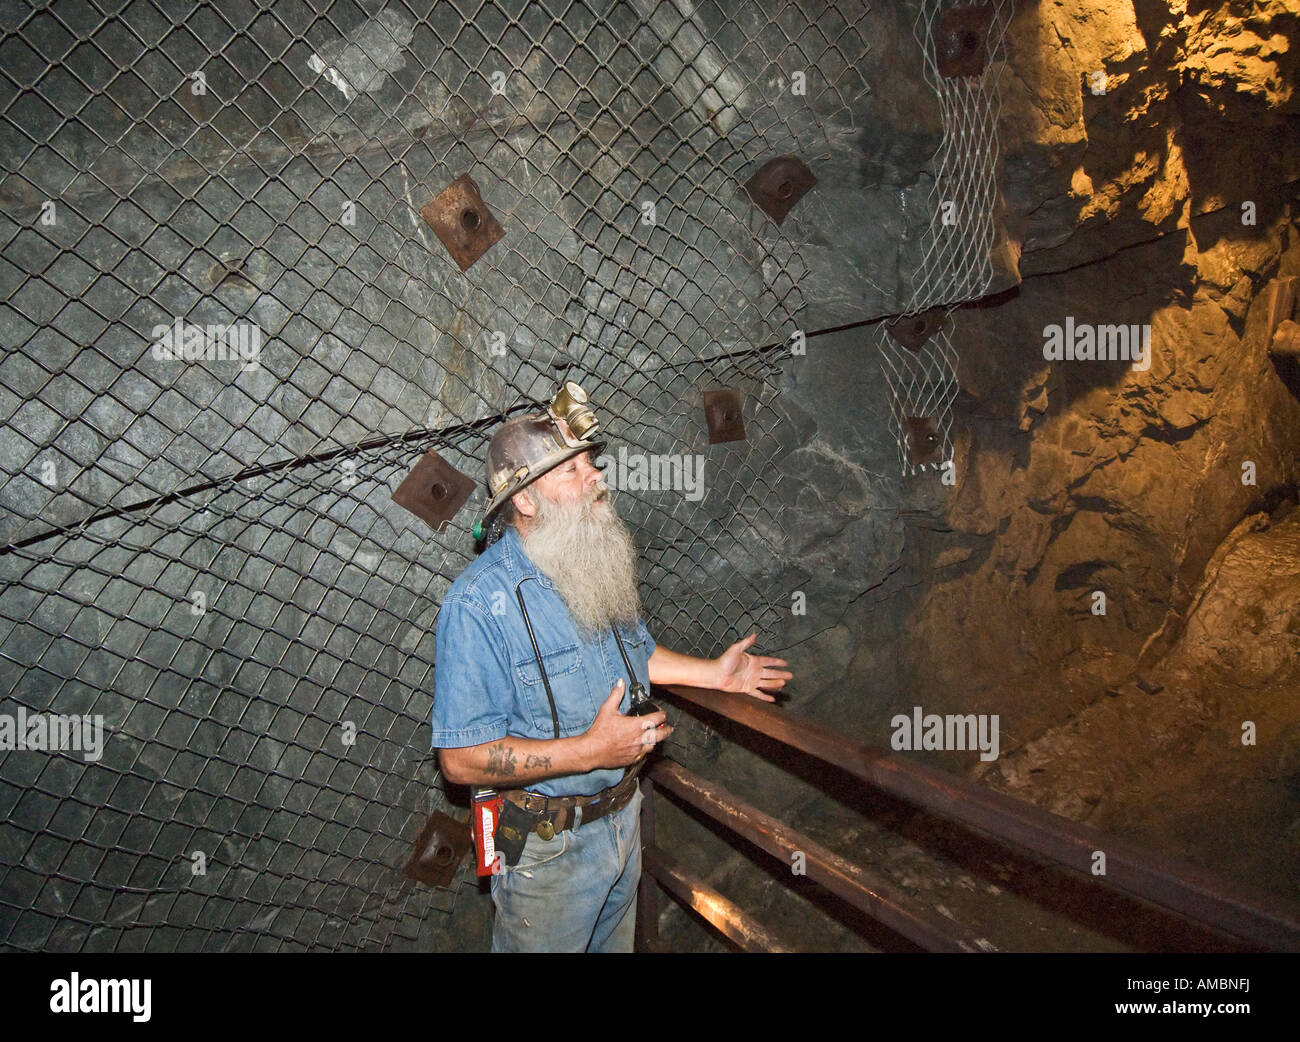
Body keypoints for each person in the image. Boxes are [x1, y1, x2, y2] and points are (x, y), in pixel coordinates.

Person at [430, 382, 792, 952]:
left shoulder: (584, 557)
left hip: (623, 819)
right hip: (546, 849)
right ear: (525, 500)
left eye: (591, 463)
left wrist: (716, 675)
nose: (596, 475)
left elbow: (634, 652)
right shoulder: (477, 605)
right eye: (571, 470)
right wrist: (590, 752)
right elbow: (459, 758)